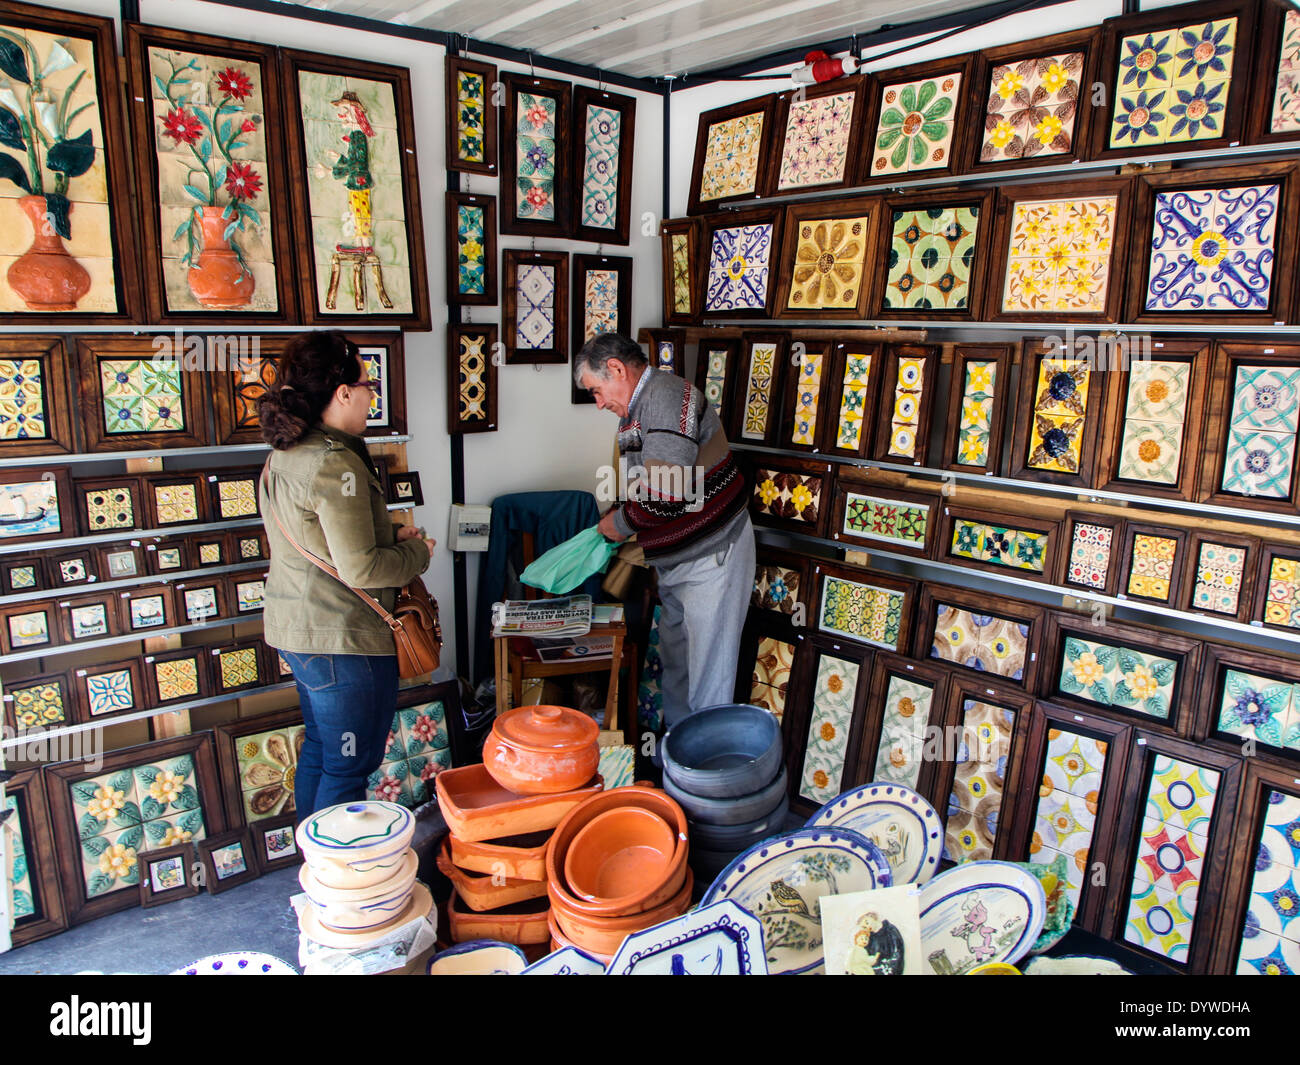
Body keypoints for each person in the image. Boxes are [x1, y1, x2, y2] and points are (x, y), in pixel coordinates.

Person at [257, 331, 436, 820]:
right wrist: (418, 553)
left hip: (302, 630)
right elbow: (361, 568)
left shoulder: (286, 453)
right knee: (350, 766)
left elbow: (322, 542)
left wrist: (387, 538)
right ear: (342, 393)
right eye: (368, 385)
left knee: (323, 752)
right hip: (343, 639)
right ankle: (344, 887)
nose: (372, 395)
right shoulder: (334, 462)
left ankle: (316, 879)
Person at [574, 333, 755, 731]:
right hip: (680, 559)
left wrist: (619, 524)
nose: (599, 403)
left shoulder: (667, 397)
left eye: (596, 391)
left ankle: (700, 783)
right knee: (680, 668)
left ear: (617, 369)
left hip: (712, 553)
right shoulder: (636, 410)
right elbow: (647, 485)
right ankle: (677, 768)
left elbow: (669, 491)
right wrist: (620, 510)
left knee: (708, 676)